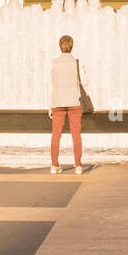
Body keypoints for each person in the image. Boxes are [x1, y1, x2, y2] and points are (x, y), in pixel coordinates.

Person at [48, 35, 86, 175]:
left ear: (60, 46)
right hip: (74, 102)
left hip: (57, 102)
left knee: (56, 135)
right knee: (76, 134)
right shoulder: (77, 63)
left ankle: (54, 165)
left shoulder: (54, 63)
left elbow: (50, 84)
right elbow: (86, 82)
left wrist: (49, 105)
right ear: (72, 46)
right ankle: (78, 165)